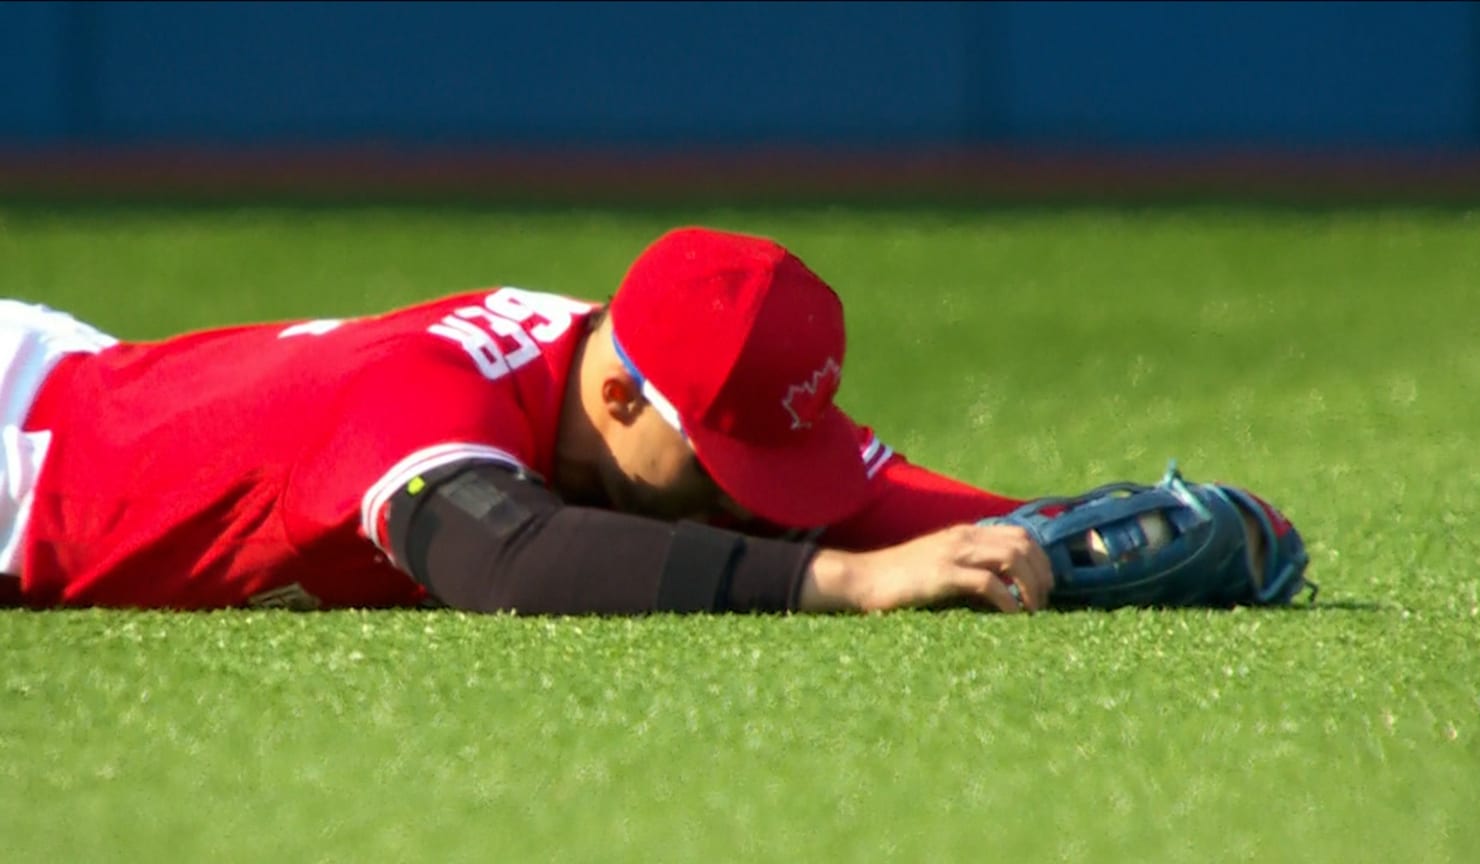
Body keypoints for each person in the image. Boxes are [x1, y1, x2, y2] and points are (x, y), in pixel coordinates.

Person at [0, 226, 1308, 616]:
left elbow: (878, 492)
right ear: (618, 397)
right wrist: (839, 580)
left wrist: (1062, 531)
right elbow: (506, 560)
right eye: (731, 459)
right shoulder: (422, 408)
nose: (754, 490)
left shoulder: (623, 361)